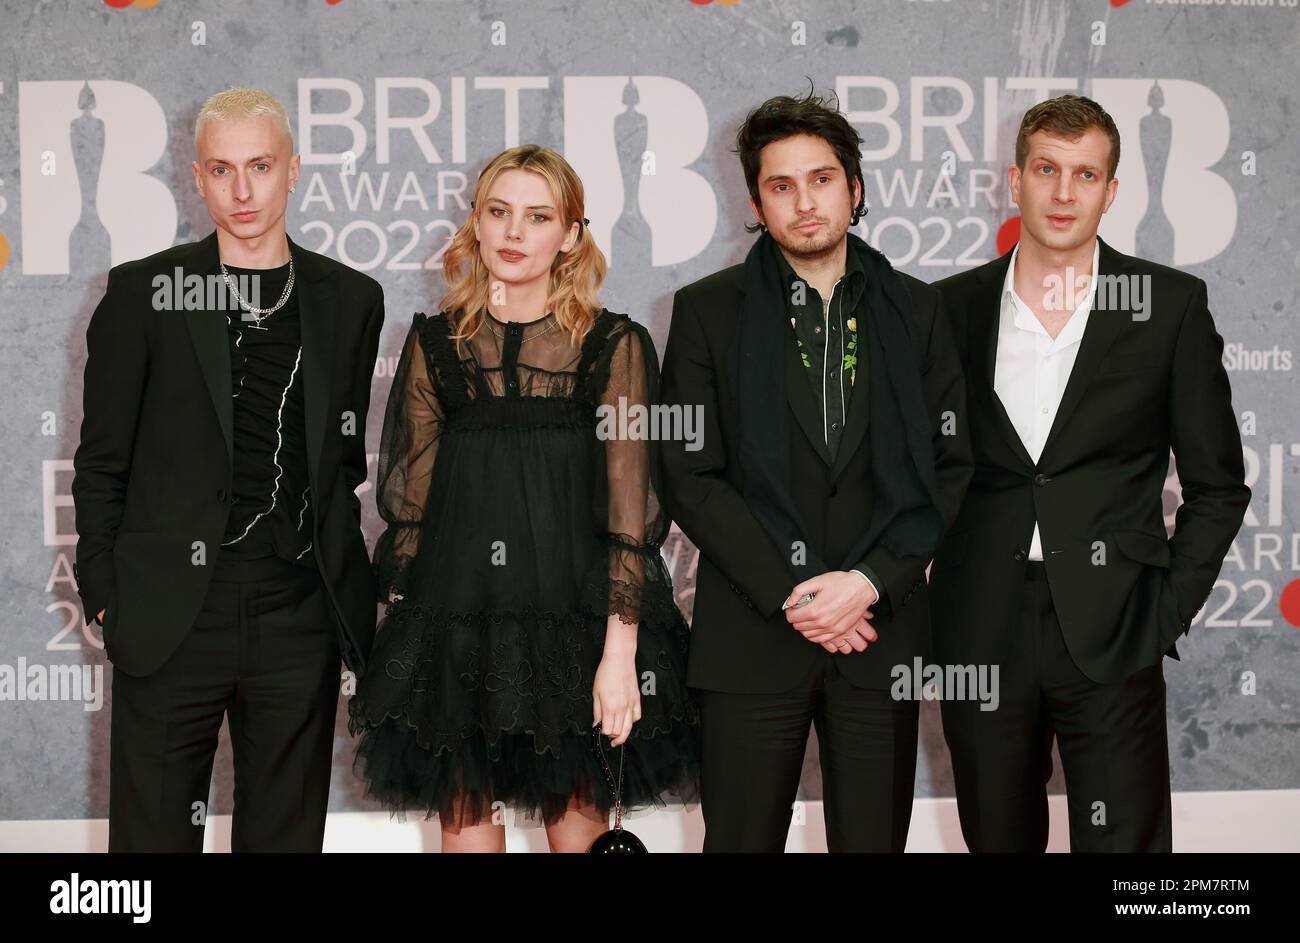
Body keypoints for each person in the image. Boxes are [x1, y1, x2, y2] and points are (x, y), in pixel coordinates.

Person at [346, 144, 700, 853]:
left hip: (577, 627)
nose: (514, 232)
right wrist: (407, 648)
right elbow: (409, 511)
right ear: (474, 223)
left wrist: (618, 651)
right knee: (466, 836)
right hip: (458, 626)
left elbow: (633, 515)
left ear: (570, 235)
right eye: (498, 212)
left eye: (538, 217)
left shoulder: (613, 345)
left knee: (578, 835)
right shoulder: (436, 343)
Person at [930, 94, 1250, 852]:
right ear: (1015, 180)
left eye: (1086, 174)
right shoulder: (947, 309)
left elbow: (1219, 484)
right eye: (1047, 169)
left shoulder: (1168, 307)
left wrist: (1163, 608)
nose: (1064, 192)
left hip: (1115, 623)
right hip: (983, 625)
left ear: (1111, 190)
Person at [71, 87, 384, 852]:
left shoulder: (350, 299)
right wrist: (108, 595)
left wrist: (342, 596)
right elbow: (102, 460)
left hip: (295, 611)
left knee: (284, 838)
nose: (242, 191)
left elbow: (341, 467)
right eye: (221, 169)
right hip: (172, 611)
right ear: (197, 177)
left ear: (293, 171)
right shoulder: (145, 292)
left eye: (260, 166)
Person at [659, 88, 972, 852]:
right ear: (757, 202)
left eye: (822, 179)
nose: (805, 201)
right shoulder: (707, 310)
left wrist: (868, 581)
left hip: (876, 635)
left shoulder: (918, 310)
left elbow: (950, 463)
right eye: (781, 185)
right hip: (753, 634)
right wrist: (794, 594)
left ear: (855, 189)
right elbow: (689, 472)